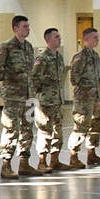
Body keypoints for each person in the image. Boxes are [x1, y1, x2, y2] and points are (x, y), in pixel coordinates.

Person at [0, 15, 39, 179]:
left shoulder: (29, 47)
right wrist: (10, 79)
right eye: (24, 26)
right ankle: (6, 164)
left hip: (29, 95)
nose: (27, 29)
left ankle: (24, 162)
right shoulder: (7, 47)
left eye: (28, 26)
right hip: (13, 96)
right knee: (11, 129)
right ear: (15, 28)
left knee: (27, 129)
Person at [66, 28, 100, 167]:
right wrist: (87, 88)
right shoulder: (80, 57)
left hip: (95, 98)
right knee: (81, 126)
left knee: (95, 125)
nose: (97, 40)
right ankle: (74, 155)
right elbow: (74, 78)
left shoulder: (95, 56)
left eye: (98, 37)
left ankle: (92, 154)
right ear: (87, 39)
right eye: (95, 38)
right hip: (84, 98)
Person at [31, 28, 71, 173]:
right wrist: (43, 94)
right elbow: (34, 78)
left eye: (59, 36)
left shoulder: (58, 57)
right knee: (45, 131)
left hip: (57, 101)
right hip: (46, 102)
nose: (59, 39)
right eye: (56, 37)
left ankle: (55, 160)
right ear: (48, 40)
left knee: (57, 131)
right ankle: (42, 161)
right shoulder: (42, 58)